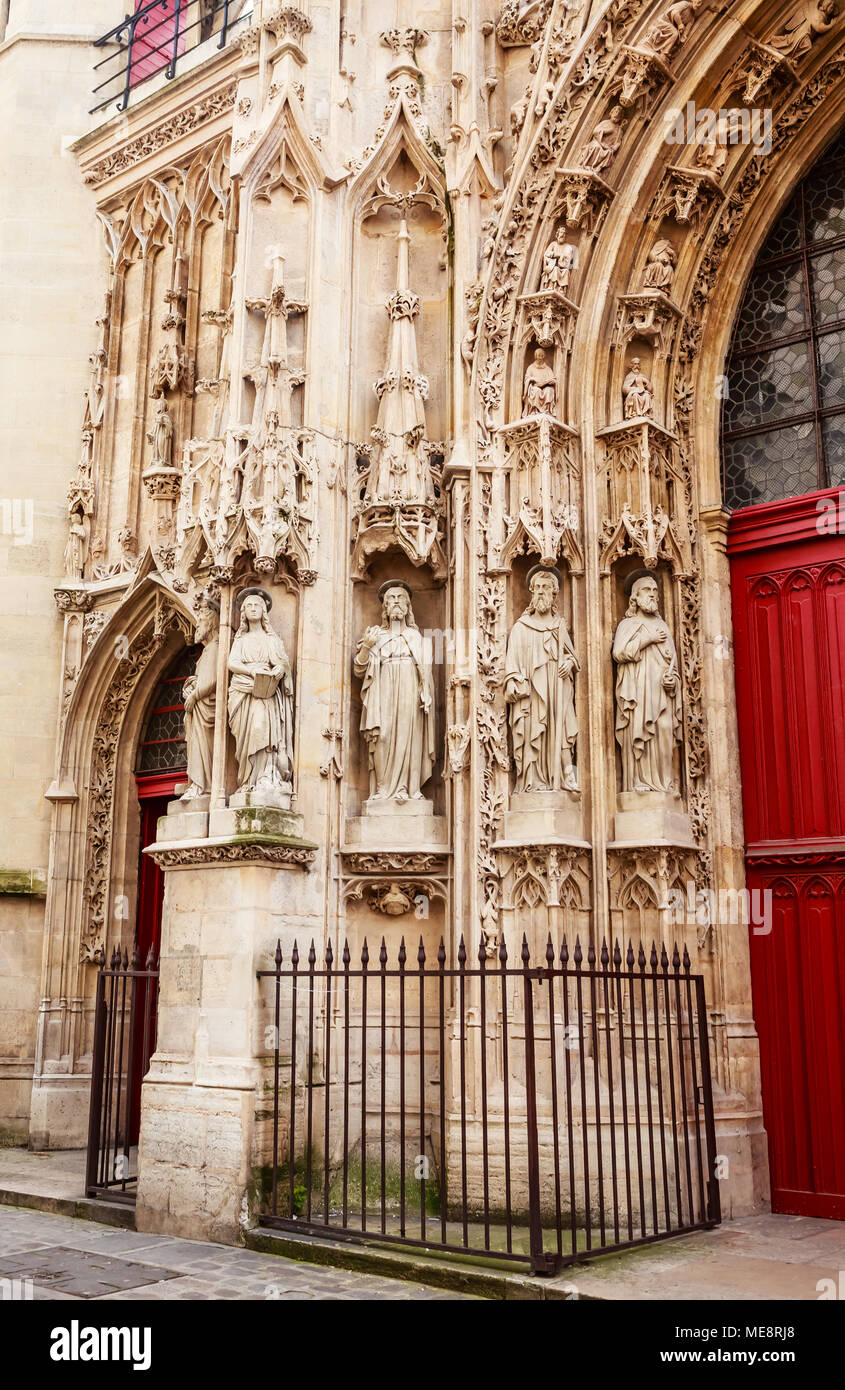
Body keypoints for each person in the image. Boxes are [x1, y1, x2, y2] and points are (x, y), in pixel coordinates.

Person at [353, 582, 434, 802]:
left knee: (409, 735)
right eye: (391, 598)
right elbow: (359, 669)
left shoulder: (417, 639)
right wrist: (367, 647)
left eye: (401, 597)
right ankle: (382, 788)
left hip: (409, 688)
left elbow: (426, 675)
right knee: (382, 736)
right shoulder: (375, 636)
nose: (396, 601)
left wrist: (425, 692)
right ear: (385, 607)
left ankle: (408, 787)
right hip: (383, 690)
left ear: (408, 606)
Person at [505, 566, 579, 791]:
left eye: (546, 588)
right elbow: (512, 664)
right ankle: (531, 781)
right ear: (531, 592)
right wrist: (515, 681)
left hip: (557, 687)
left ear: (554, 593)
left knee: (563, 727)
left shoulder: (559, 626)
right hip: (533, 693)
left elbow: (572, 657)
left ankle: (567, 776)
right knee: (532, 731)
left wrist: (569, 663)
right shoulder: (520, 628)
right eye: (536, 588)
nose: (540, 592)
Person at [227, 588, 294, 795]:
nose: (253, 609)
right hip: (242, 691)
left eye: (257, 605)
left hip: (265, 693)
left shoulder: (271, 640)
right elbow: (232, 663)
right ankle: (248, 779)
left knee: (262, 728)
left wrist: (278, 670)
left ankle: (266, 774)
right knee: (247, 735)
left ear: (264, 611)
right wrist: (253, 670)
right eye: (249, 606)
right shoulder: (241, 640)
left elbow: (283, 664)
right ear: (243, 613)